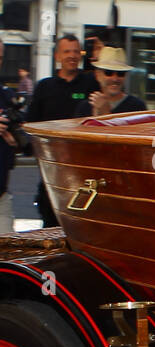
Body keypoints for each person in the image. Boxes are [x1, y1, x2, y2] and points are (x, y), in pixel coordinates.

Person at [26, 34, 100, 227]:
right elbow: (31, 124)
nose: (72, 56)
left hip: (81, 170)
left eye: (76, 51)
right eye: (67, 51)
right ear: (57, 56)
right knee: (50, 225)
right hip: (51, 168)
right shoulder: (44, 87)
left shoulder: (91, 84)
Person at [0, 42, 25, 234]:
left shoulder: (6, 95)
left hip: (1, 197)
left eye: (0, 58)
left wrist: (15, 141)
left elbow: (21, 141)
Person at [89, 46, 147, 115]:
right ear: (98, 75)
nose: (115, 79)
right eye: (109, 72)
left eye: (120, 73)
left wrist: (105, 112)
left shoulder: (137, 107)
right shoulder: (85, 106)